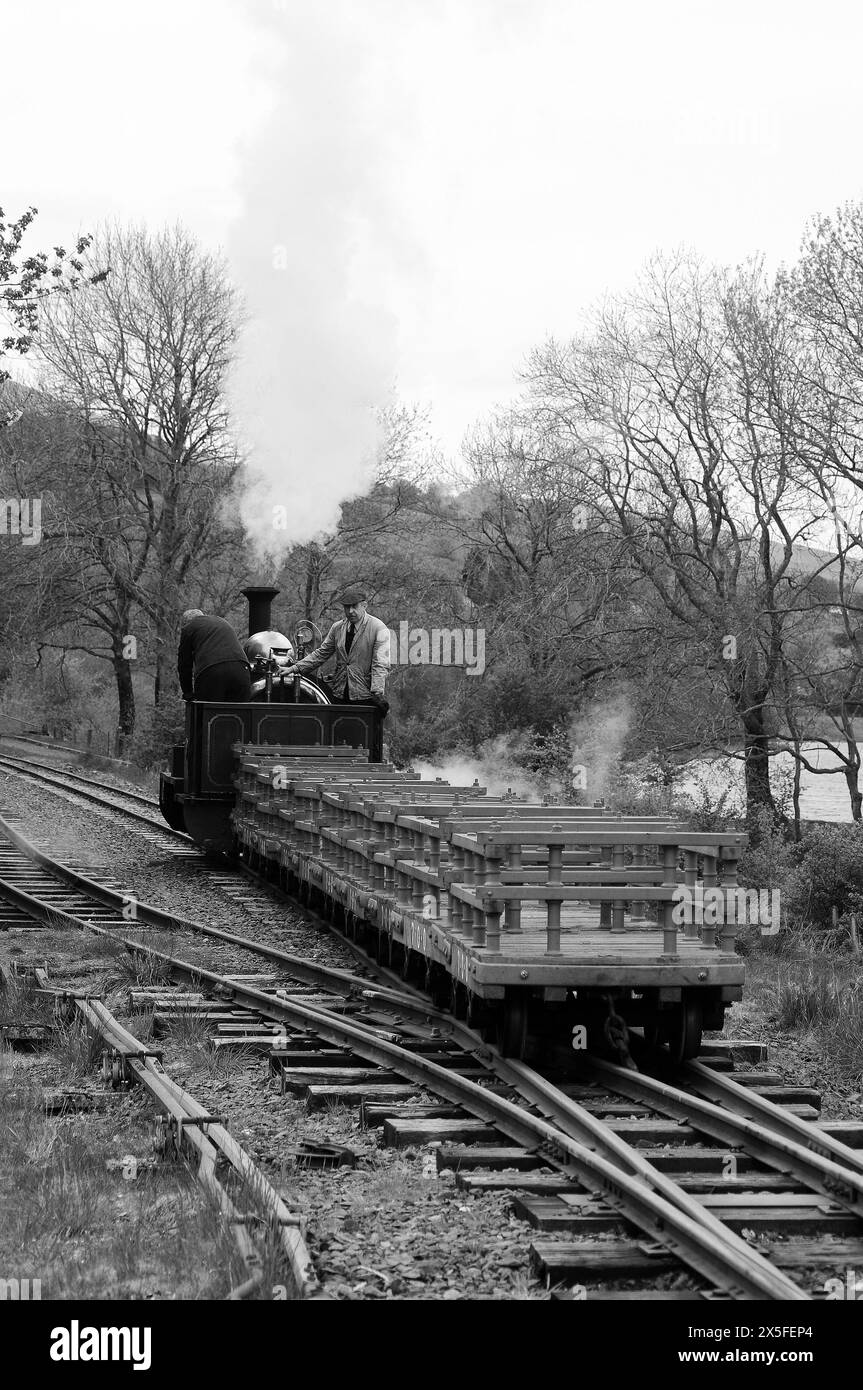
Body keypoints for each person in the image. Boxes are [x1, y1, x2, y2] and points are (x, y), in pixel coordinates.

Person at [286, 587, 389, 709]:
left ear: (364, 605)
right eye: (346, 607)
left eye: (354, 606)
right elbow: (321, 654)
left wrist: (377, 692)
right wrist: (294, 668)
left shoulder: (378, 628)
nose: (350, 611)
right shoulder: (337, 628)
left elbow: (380, 664)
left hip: (365, 696)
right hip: (339, 693)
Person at [177, 609, 252, 702]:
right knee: (239, 713)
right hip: (242, 670)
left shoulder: (189, 628)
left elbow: (184, 665)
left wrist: (187, 693)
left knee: (207, 713)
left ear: (186, 623)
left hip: (212, 672)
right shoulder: (221, 621)